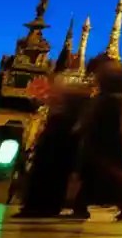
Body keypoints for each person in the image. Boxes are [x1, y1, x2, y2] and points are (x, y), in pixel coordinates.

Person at [71, 55, 122, 221]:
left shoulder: (110, 80)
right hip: (107, 131)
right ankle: (84, 205)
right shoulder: (114, 75)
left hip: (105, 130)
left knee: (99, 168)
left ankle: (82, 206)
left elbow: (114, 103)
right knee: (101, 171)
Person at [15, 79, 87, 218]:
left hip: (56, 149)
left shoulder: (65, 119)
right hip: (56, 150)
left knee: (50, 174)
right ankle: (42, 205)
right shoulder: (67, 118)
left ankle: (42, 206)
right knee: (51, 175)